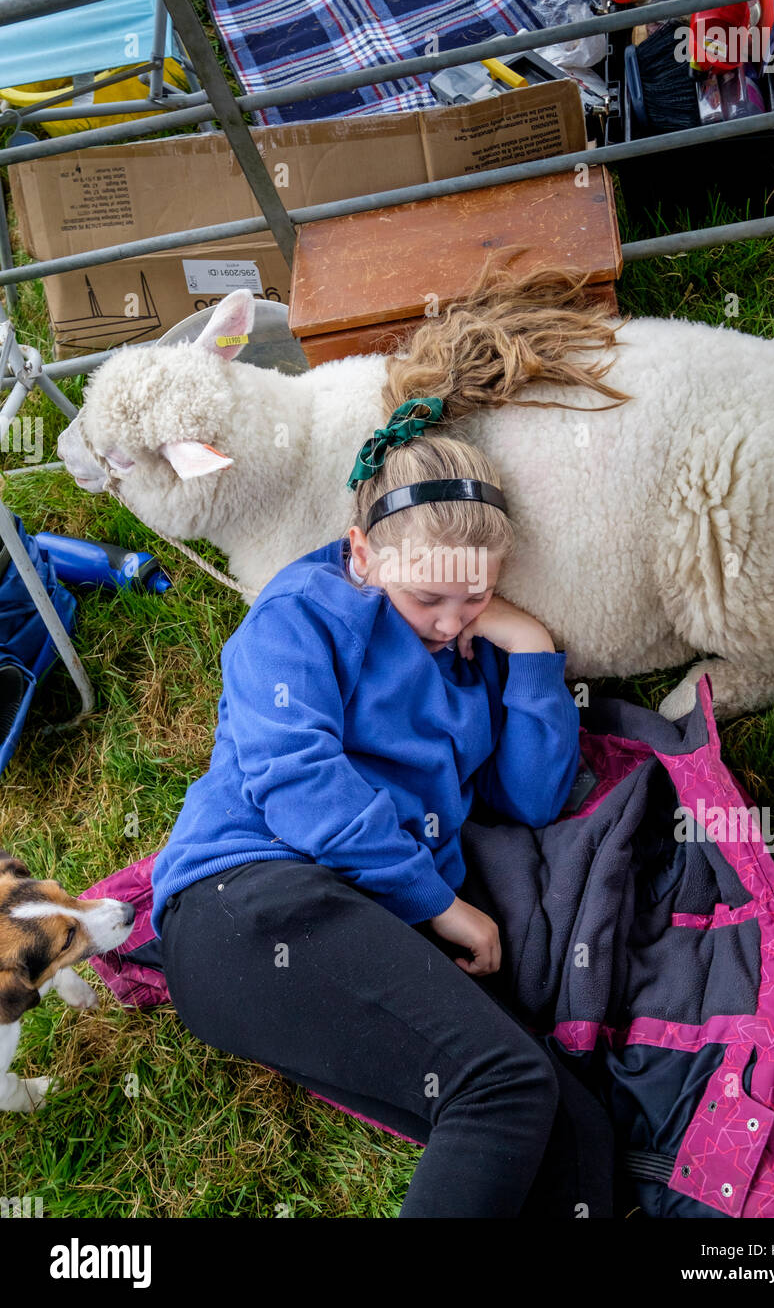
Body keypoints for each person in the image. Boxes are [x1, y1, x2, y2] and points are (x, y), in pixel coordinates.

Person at [152, 285, 622, 1217]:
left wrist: (527, 653)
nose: (450, 625)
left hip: (363, 923)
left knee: (578, 1139)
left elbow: (530, 798)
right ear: (363, 555)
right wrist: (444, 906)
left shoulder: (474, 658)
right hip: (249, 904)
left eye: (474, 599)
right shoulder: (300, 618)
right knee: (504, 1091)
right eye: (426, 601)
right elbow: (297, 781)